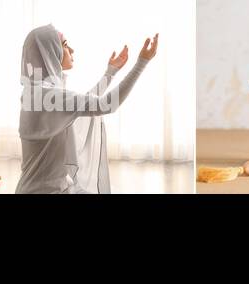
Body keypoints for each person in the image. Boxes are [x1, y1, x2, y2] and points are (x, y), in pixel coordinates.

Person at [16, 24, 158, 194]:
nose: (72, 50)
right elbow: (105, 104)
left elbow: (83, 106)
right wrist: (142, 62)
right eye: (65, 44)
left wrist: (110, 73)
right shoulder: (46, 95)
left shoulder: (36, 91)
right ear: (49, 51)